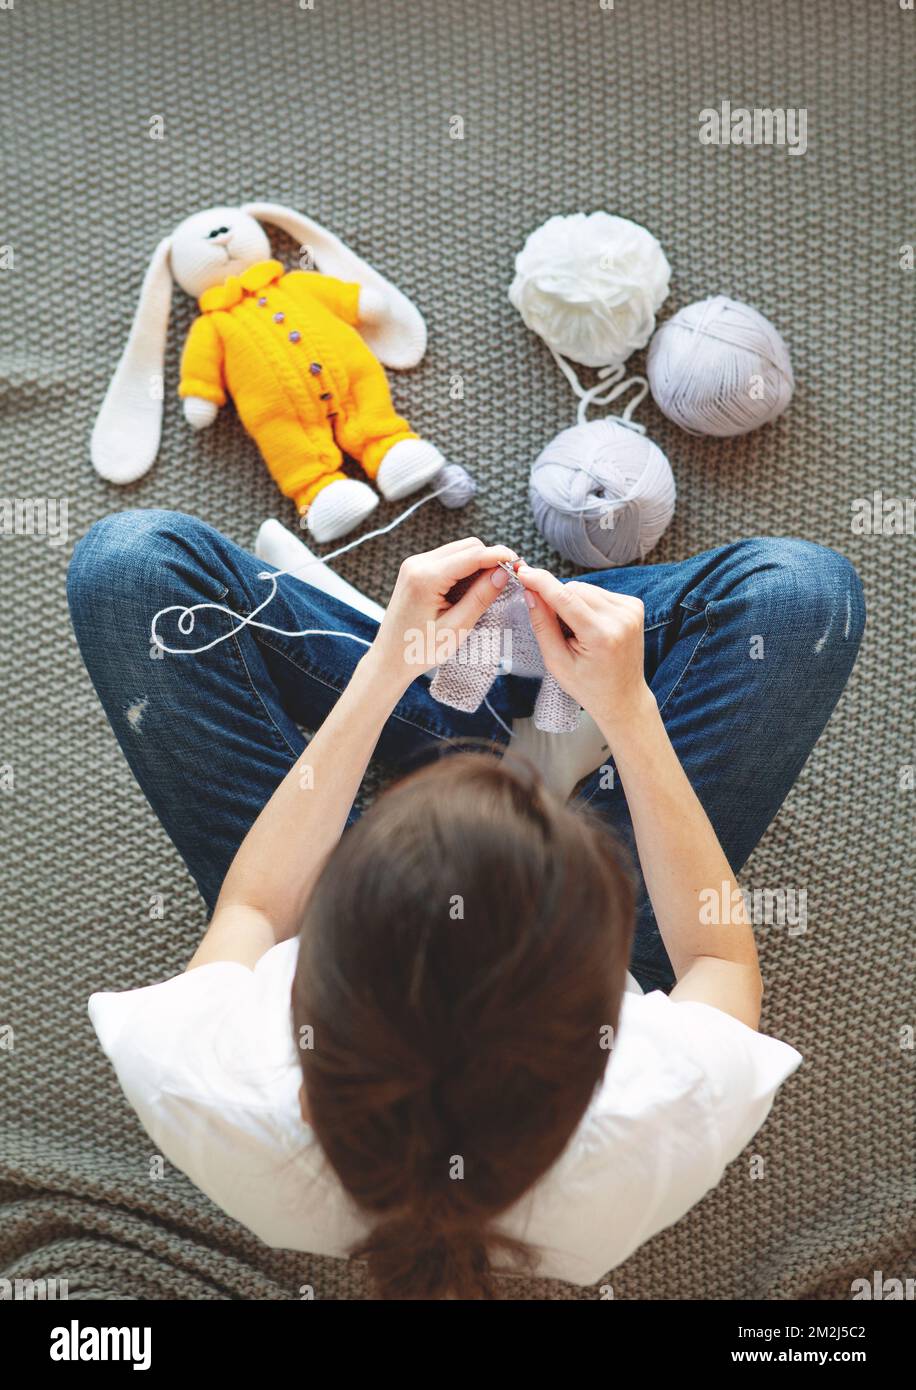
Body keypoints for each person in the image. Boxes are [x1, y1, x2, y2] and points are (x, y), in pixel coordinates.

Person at [67, 509, 865, 1299]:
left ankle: (441, 714)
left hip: (441, 930)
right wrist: (629, 713)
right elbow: (715, 957)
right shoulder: (667, 1109)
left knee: (128, 566)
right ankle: (505, 715)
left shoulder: (199, 1079)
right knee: (803, 595)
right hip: (529, 929)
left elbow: (256, 906)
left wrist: (386, 667)